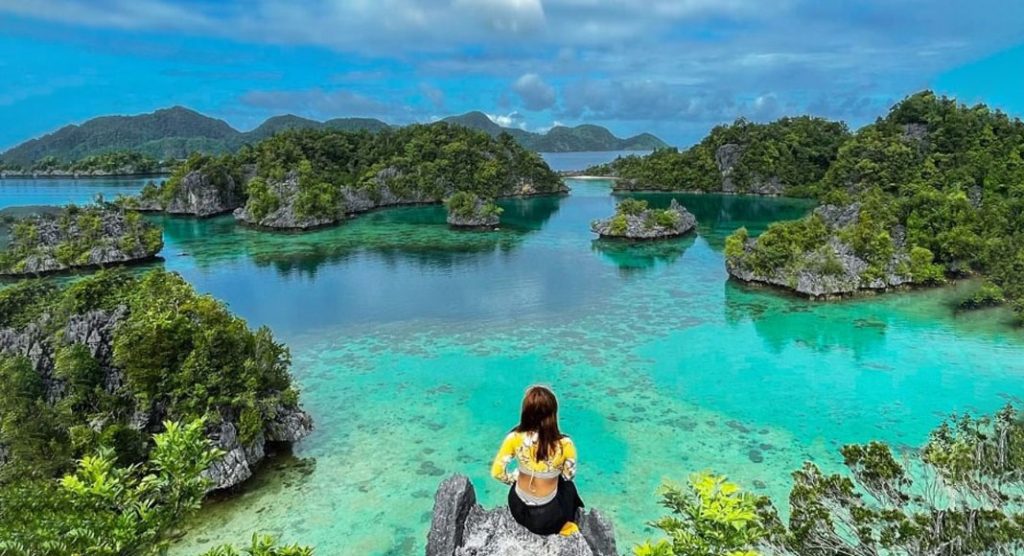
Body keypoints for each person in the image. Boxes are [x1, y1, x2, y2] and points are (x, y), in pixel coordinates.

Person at [490, 385, 583, 536]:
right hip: (547, 518)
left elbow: (496, 472)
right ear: (553, 414)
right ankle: (567, 524)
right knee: (569, 488)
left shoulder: (514, 437)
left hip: (517, 508)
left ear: (525, 413)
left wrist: (514, 478)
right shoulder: (565, 444)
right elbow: (568, 476)